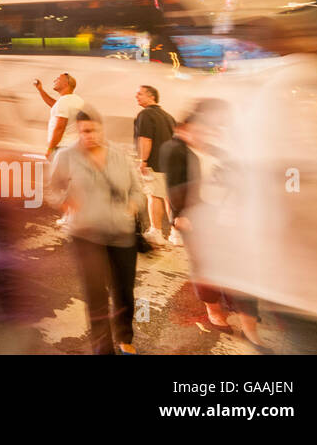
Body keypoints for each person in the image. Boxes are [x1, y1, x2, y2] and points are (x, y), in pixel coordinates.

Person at [159, 100, 265, 349]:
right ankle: (213, 308)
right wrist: (179, 216)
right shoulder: (176, 149)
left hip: (228, 218)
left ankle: (250, 325)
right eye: (207, 125)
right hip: (195, 222)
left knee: (241, 270)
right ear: (190, 126)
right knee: (204, 267)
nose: (213, 130)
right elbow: (173, 187)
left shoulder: (222, 149)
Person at [47, 108, 148, 355]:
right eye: (84, 131)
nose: (89, 136)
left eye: (93, 130)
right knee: (96, 295)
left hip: (121, 234)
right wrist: (64, 202)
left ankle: (125, 339)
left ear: (102, 129)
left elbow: (137, 189)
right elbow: (51, 189)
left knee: (124, 291)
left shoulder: (118, 155)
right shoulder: (67, 156)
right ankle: (102, 349)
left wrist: (133, 206)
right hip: (86, 235)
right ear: (78, 131)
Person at [133, 85, 177, 247]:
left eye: (140, 94)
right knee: (168, 197)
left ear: (151, 97)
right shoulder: (168, 116)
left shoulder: (145, 114)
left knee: (154, 196)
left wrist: (143, 161)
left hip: (155, 163)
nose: (136, 97)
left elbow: (145, 139)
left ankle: (156, 232)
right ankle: (176, 233)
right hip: (170, 163)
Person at [36, 72, 83, 161]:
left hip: (62, 148)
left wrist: (50, 149)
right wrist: (40, 90)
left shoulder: (64, 102)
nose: (55, 80)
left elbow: (60, 128)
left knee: (59, 174)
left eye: (58, 79)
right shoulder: (76, 100)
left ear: (66, 83)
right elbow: (55, 105)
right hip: (73, 147)